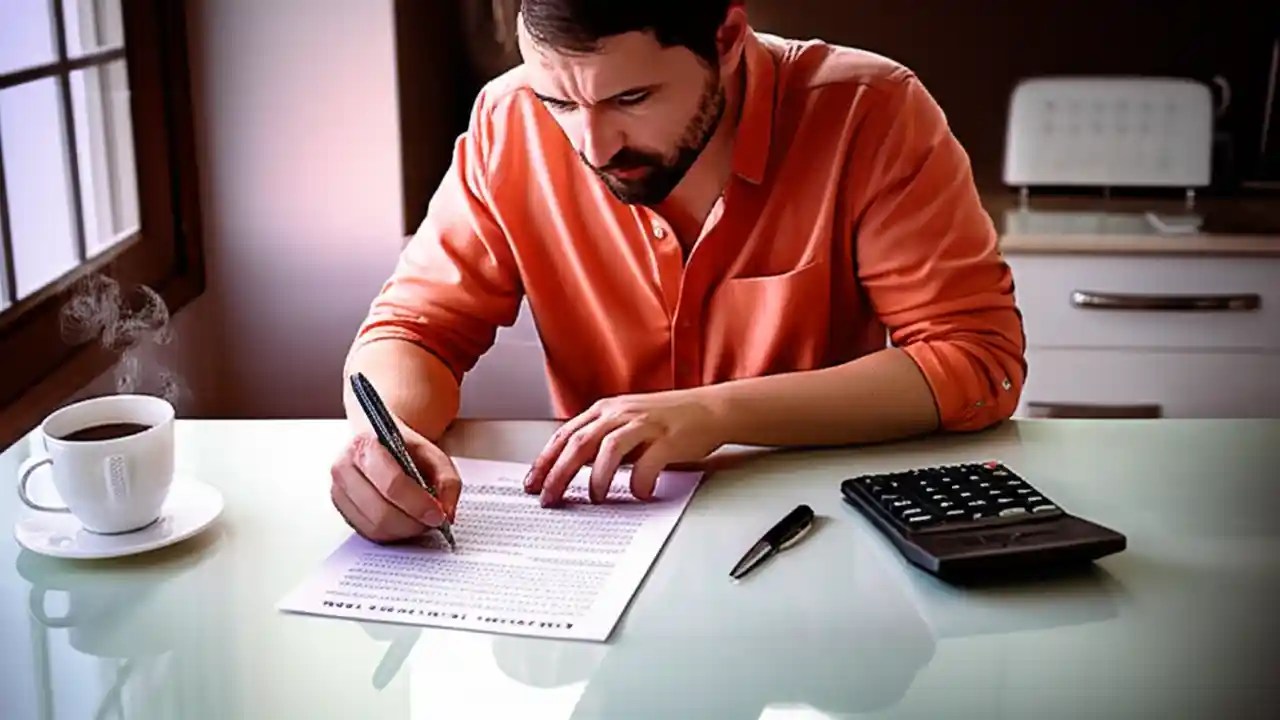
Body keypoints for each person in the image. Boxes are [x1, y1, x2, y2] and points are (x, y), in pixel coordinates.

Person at [329, 0, 1026, 544]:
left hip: (810, 527)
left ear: (727, 39)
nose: (592, 146)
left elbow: (977, 362)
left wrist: (719, 410)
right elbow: (415, 330)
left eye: (631, 99)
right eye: (560, 103)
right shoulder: (507, 120)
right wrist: (387, 438)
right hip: (598, 536)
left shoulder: (872, 112)